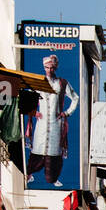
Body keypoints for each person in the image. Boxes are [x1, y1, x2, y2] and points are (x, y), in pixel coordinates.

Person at [25, 53, 78, 185]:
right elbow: (28, 98)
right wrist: (34, 112)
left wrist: (66, 113)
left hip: (56, 124)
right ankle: (29, 174)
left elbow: (75, 98)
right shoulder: (38, 82)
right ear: (44, 67)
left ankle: (53, 178)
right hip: (42, 122)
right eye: (47, 67)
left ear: (55, 68)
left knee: (54, 153)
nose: (50, 70)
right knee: (37, 149)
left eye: (52, 68)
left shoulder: (62, 83)